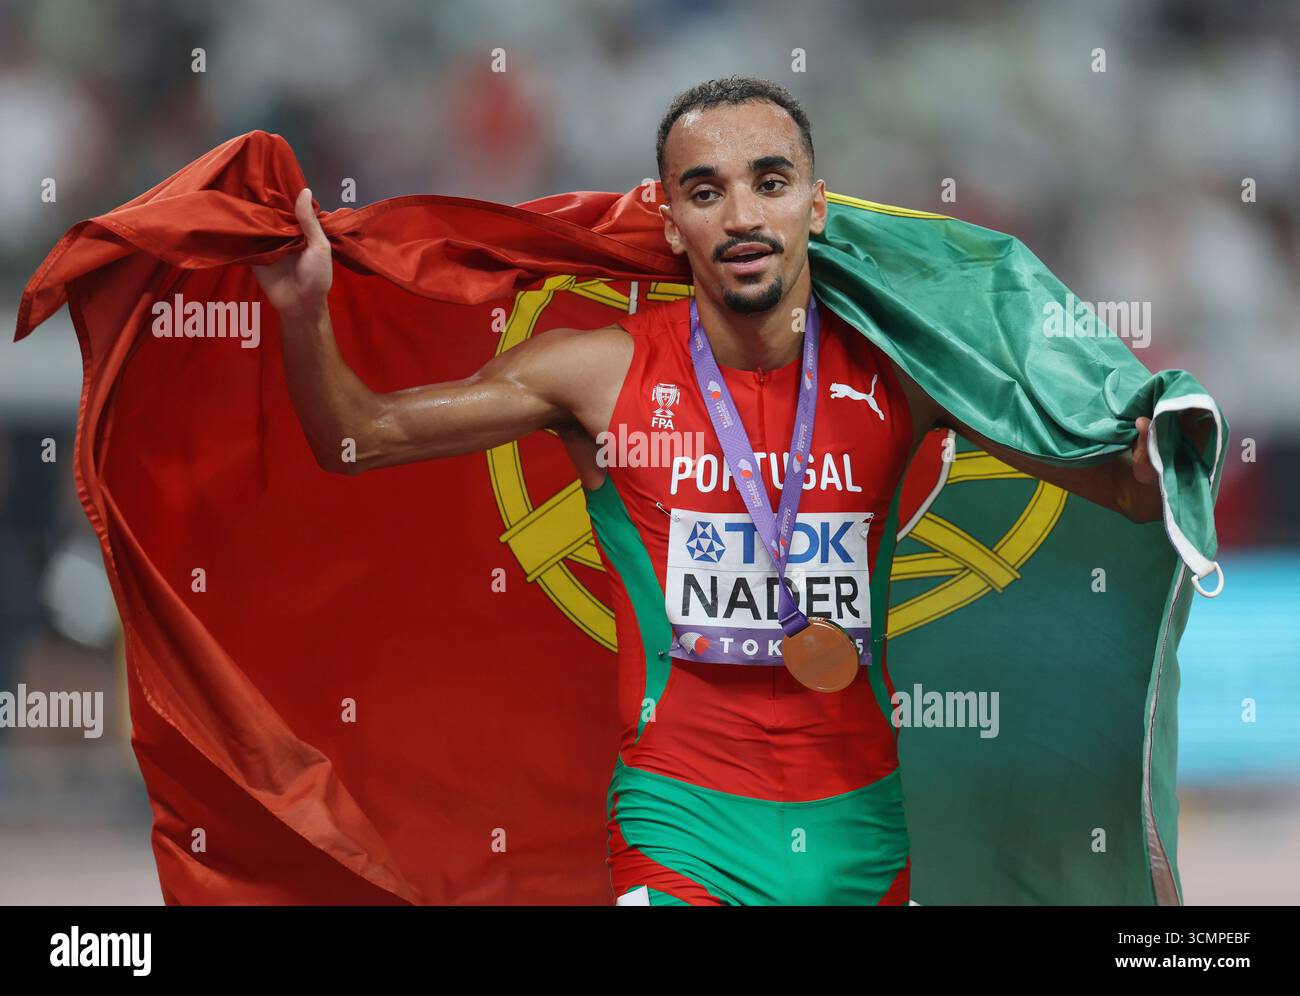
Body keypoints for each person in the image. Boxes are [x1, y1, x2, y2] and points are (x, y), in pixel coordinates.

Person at [253, 76, 1167, 906]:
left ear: (815, 206)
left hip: (864, 832)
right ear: (670, 223)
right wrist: (302, 313)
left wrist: (1168, 449)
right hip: (679, 827)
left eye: (771, 182)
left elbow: (1130, 495)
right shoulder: (598, 377)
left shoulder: (907, 375)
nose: (741, 214)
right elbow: (356, 439)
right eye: (706, 190)